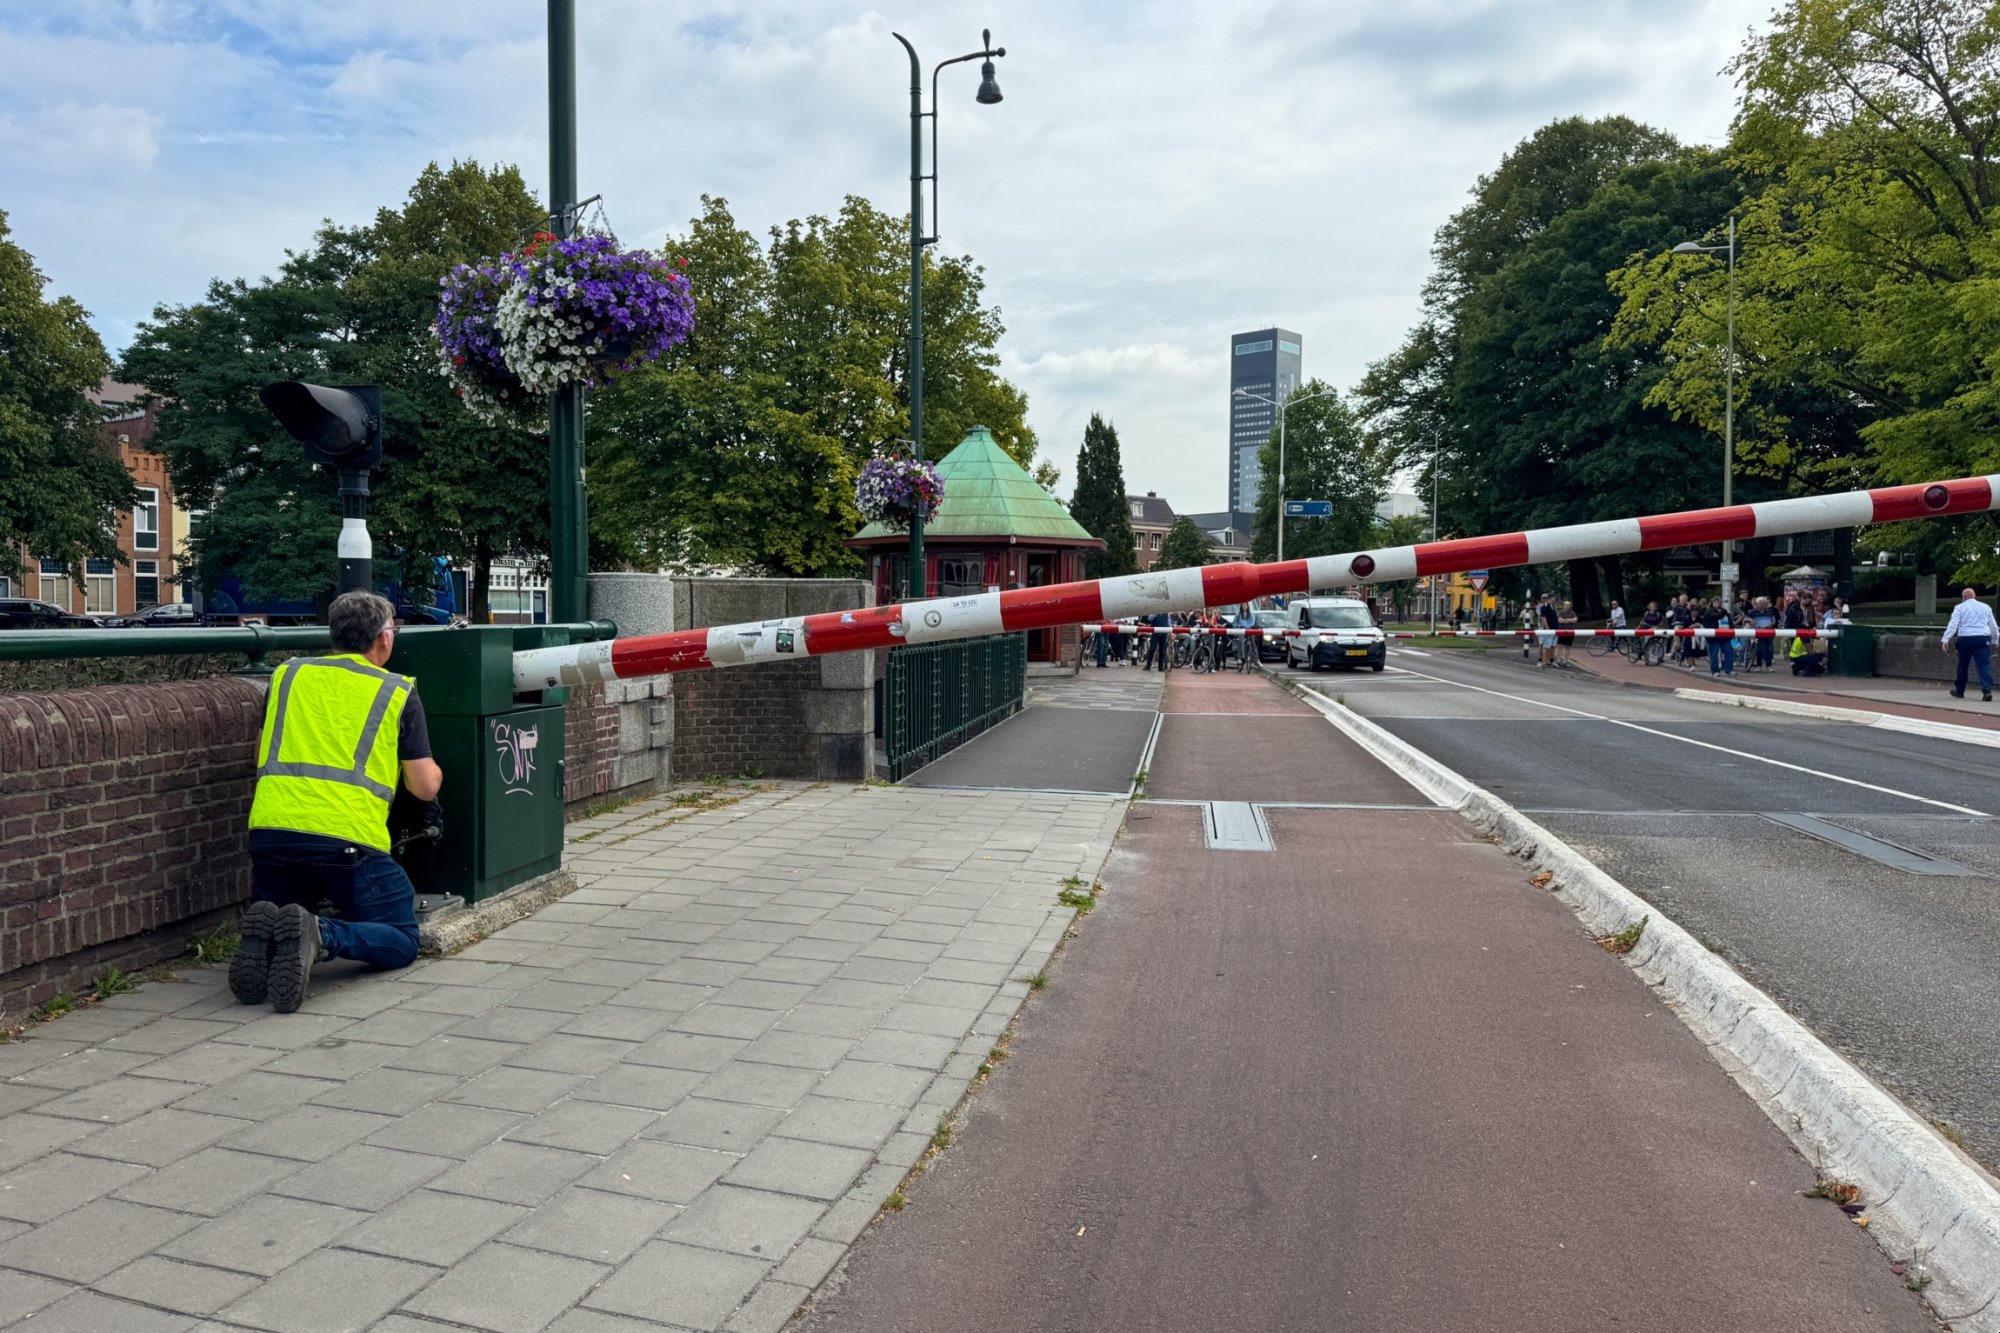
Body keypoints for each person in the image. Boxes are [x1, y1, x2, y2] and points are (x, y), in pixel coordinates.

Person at [232, 590, 443, 1013]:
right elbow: (424, 787)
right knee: (402, 939)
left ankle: (273, 930)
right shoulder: (396, 691)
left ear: (334, 635)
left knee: (284, 905)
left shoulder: (287, 676)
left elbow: (262, 750)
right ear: (384, 638)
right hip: (347, 845)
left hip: (271, 836)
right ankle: (322, 935)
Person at [1941, 585, 1998, 701]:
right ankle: (1987, 691)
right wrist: (1995, 640)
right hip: (1983, 638)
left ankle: (1960, 691)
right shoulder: (1985, 607)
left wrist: (1945, 639)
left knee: (1963, 665)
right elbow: (1993, 626)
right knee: (1983, 665)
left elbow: (1953, 625)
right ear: (1974, 596)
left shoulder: (1959, 608)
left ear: (1963, 597)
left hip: (1965, 639)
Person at [1556, 599, 1579, 667]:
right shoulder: (1560, 612)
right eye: (1566, 605)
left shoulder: (1572, 613)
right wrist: (1570, 620)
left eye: (1568, 605)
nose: (1567, 606)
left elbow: (1575, 620)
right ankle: (1558, 661)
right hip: (1562, 630)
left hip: (1570, 631)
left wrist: (1565, 620)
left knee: (1568, 647)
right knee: (1560, 646)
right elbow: (1559, 621)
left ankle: (1565, 661)